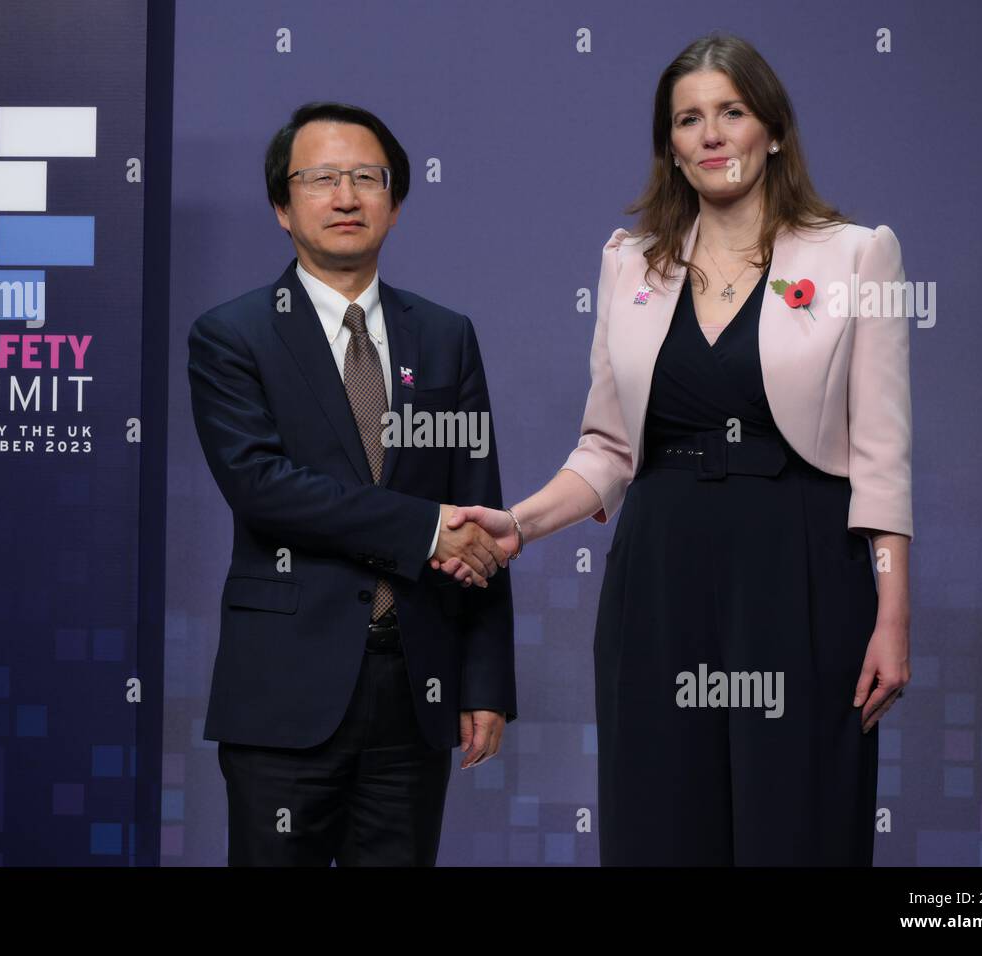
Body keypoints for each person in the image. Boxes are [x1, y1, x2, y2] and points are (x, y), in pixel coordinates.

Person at [437, 34, 913, 865]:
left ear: (772, 129)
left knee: (796, 823)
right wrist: (521, 522)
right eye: (689, 120)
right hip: (660, 572)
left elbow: (880, 456)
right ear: (672, 148)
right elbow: (608, 447)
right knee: (661, 821)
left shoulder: (856, 253)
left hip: (799, 566)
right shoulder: (629, 265)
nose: (712, 133)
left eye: (731, 112)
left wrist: (893, 616)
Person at [188, 102, 516, 866]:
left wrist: (487, 679)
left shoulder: (445, 336)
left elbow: (481, 511)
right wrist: (428, 528)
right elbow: (263, 485)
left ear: (394, 204)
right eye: (321, 179)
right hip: (284, 693)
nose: (345, 197)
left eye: (367, 178)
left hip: (416, 689)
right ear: (282, 205)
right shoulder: (233, 335)